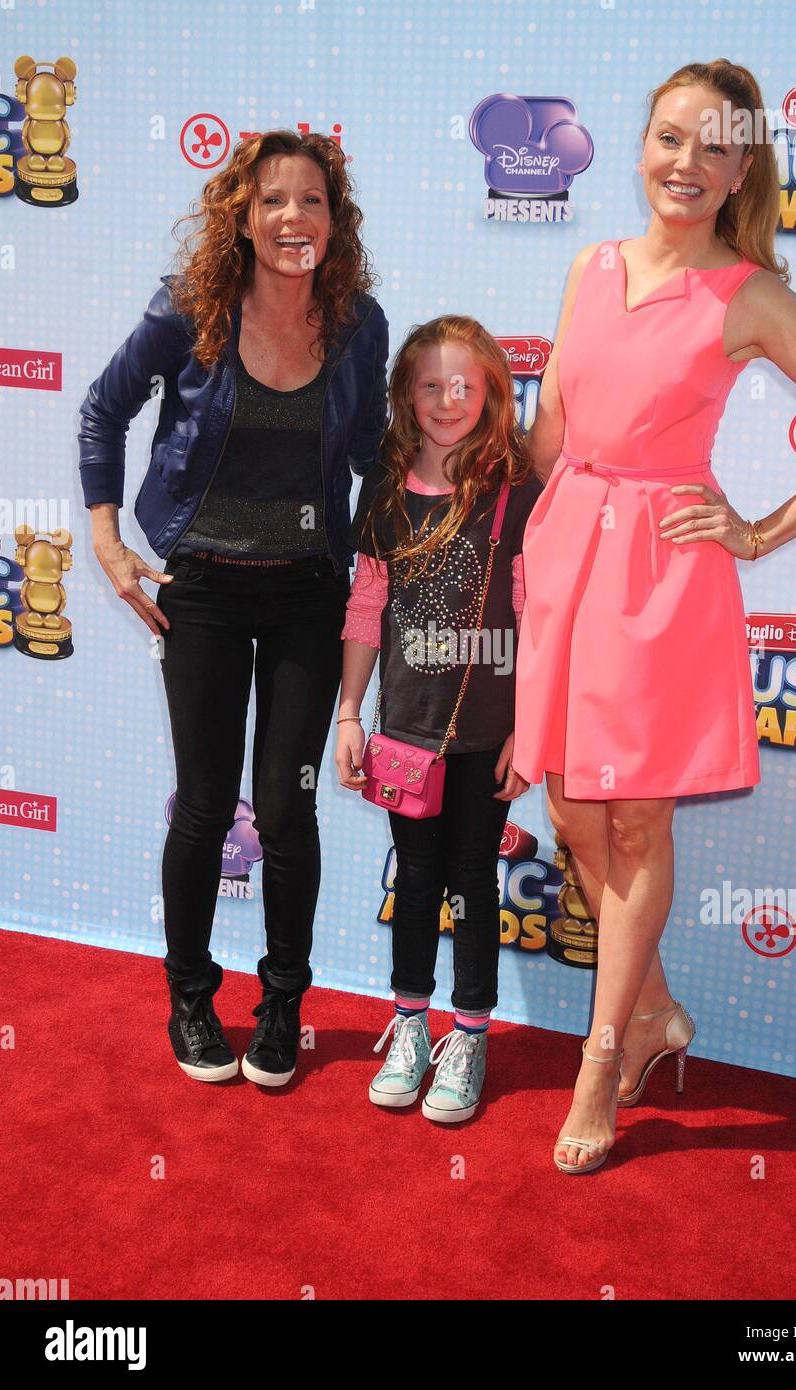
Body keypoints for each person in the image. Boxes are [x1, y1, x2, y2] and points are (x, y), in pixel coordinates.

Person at [510, 60, 796, 1173]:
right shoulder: (591, 266)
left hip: (658, 574)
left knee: (636, 822)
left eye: (714, 147)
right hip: (565, 556)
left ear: (743, 169)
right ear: (641, 146)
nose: (686, 163)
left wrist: (759, 531)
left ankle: (602, 1058)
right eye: (669, 138)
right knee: (574, 814)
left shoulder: (749, 294)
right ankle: (654, 1012)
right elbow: (552, 439)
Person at [77, 130, 389, 1087]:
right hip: (202, 589)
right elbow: (103, 406)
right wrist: (106, 541)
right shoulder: (192, 310)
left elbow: (375, 455)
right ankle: (189, 998)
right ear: (242, 218)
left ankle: (284, 1006)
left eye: (312, 202)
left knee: (289, 815)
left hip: (306, 589)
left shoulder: (358, 323)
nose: (293, 219)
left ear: (335, 222)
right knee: (206, 805)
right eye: (273, 202)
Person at [335, 316, 543, 1122]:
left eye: (466, 384)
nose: (448, 400)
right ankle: (411, 1023)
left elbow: (535, 619)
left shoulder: (515, 494)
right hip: (405, 736)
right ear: (404, 395)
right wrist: (350, 713)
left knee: (473, 884)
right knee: (415, 883)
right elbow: (364, 606)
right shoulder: (385, 493)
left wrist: (532, 728)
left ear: (493, 392)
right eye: (431, 385)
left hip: (488, 736)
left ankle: (470, 1035)